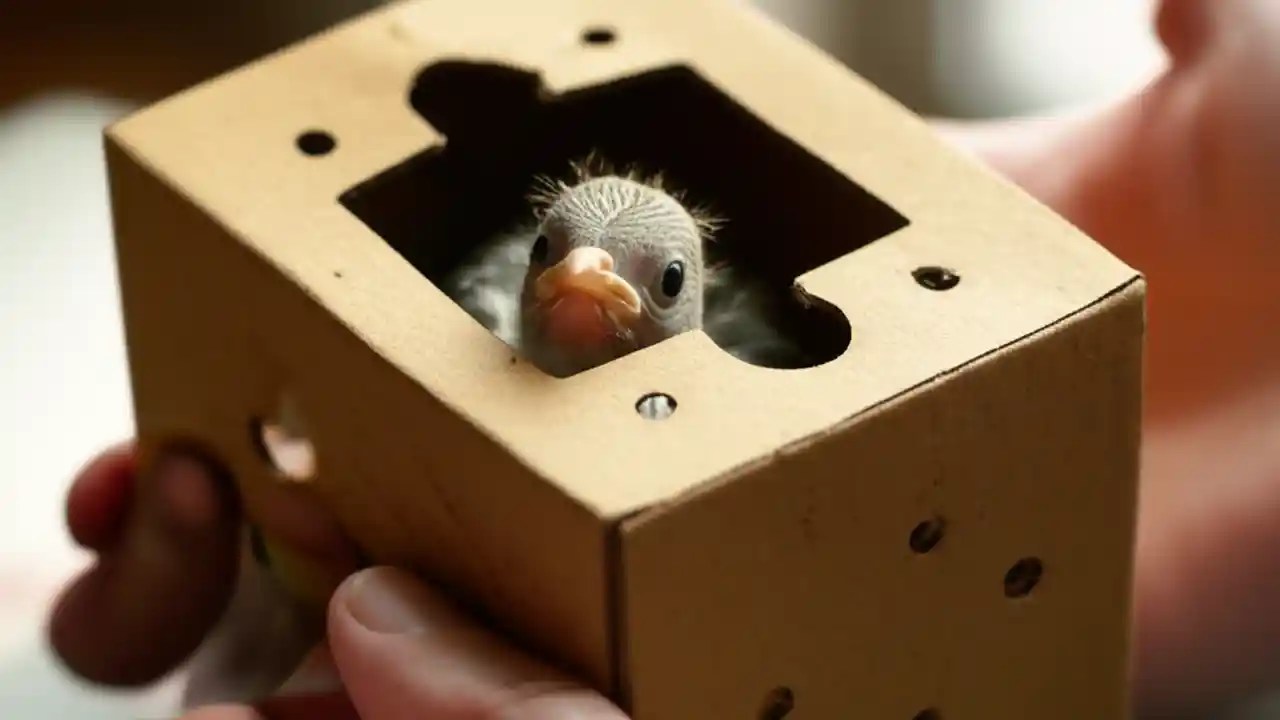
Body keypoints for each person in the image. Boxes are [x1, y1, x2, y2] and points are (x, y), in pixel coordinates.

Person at [45, 0, 1280, 717]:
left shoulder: (744, 358)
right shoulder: (465, 312)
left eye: (655, 283)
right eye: (558, 262)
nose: (587, 286)